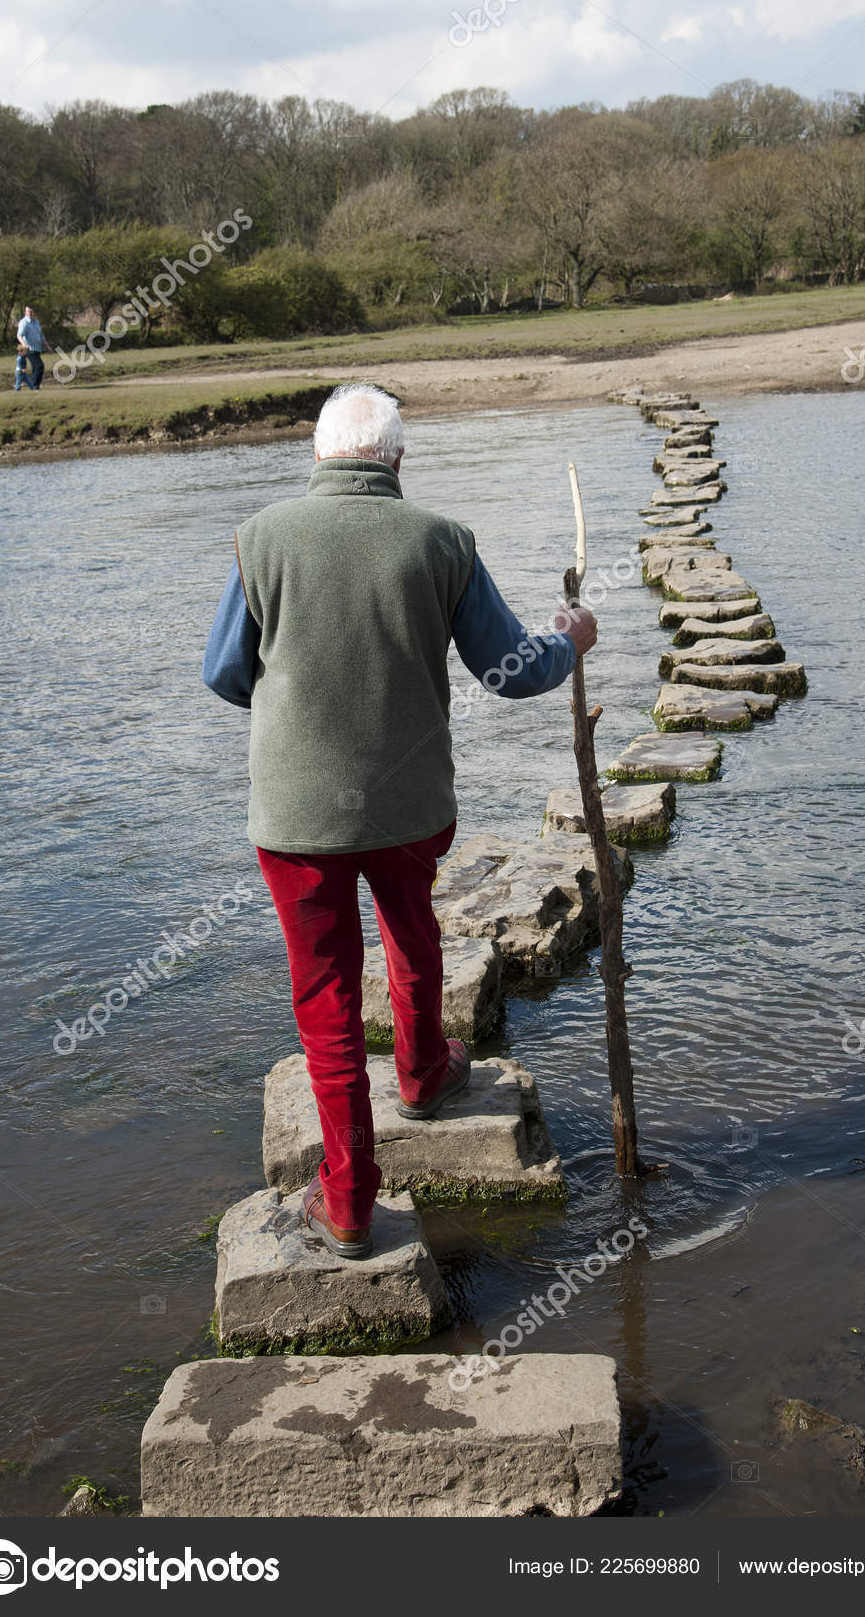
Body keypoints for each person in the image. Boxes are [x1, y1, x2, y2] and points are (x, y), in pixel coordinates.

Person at [202, 383, 597, 1259]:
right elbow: (511, 672)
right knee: (412, 932)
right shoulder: (442, 540)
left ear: (317, 456)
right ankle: (422, 1075)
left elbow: (224, 675)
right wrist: (570, 635)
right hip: (410, 806)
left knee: (326, 998)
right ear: (397, 460)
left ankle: (346, 1202)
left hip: (295, 813)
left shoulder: (258, 537)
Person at [16, 305, 48, 390]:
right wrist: (24, 345)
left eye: (31, 311)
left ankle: (35, 386)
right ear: (25, 312)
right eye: (28, 311)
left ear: (33, 312)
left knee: (35, 367)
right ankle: (34, 385)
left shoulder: (36, 322)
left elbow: (41, 336)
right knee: (39, 365)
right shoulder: (24, 322)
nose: (30, 313)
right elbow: (19, 335)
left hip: (37, 348)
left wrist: (47, 346)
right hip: (29, 349)